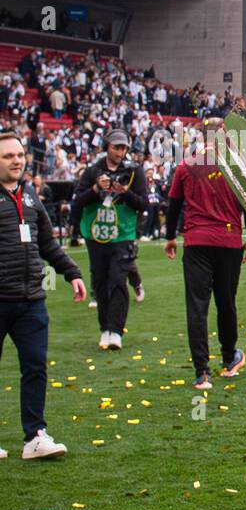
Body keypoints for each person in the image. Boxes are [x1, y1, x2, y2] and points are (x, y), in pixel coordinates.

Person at [0, 132, 86, 460]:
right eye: (8, 156)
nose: (17, 160)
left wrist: (73, 273)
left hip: (32, 300)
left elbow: (48, 244)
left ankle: (35, 436)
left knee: (35, 367)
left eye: (20, 155)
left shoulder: (31, 196)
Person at [163, 123, 246, 390]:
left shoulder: (186, 166)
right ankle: (229, 359)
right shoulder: (236, 169)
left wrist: (170, 236)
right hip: (228, 243)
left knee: (197, 307)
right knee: (226, 302)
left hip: (196, 242)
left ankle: (202, 372)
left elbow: (174, 205)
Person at [69, 129, 145, 350]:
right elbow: (78, 201)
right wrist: (95, 189)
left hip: (123, 233)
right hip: (97, 234)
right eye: (116, 147)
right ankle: (105, 328)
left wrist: (125, 192)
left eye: (123, 148)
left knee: (118, 280)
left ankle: (116, 330)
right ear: (107, 147)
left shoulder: (134, 172)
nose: (120, 152)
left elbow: (143, 203)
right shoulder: (93, 171)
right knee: (100, 280)